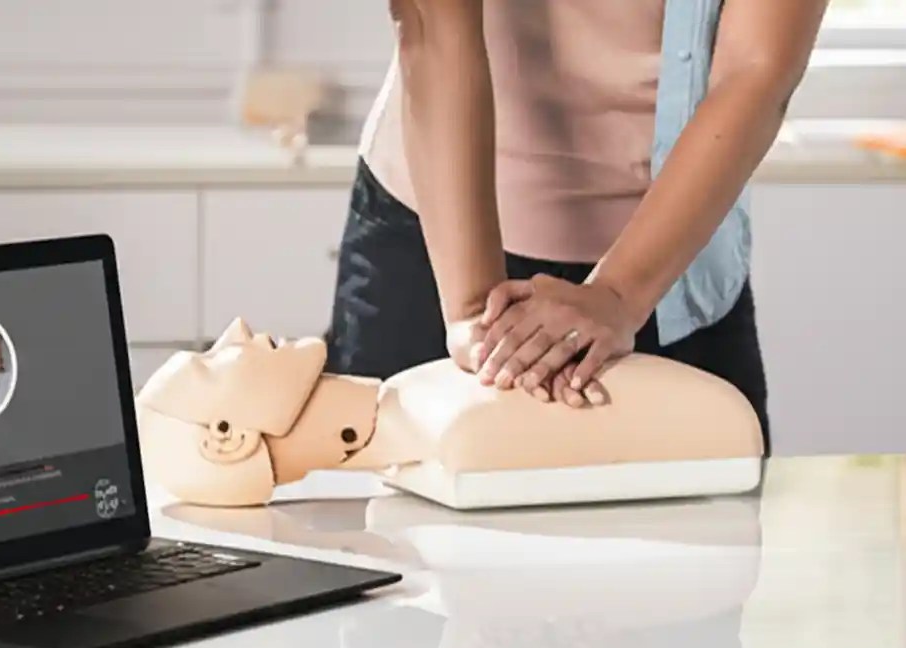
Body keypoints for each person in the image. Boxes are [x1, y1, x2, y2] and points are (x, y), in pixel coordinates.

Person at [325, 0, 828, 454]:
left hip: (670, 263)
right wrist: (475, 316)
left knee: (704, 544)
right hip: (439, 246)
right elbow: (431, 25)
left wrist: (617, 297)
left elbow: (756, 69)